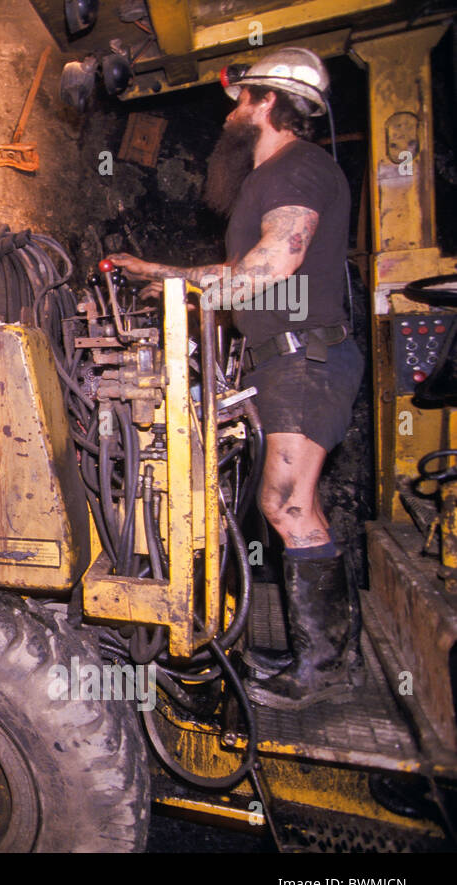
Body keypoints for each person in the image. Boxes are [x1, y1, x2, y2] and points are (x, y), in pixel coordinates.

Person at [109, 47, 363, 710]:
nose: (233, 109)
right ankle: (323, 649)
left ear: (270, 104)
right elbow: (240, 270)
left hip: (305, 360)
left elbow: (274, 263)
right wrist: (155, 273)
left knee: (288, 505)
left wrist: (183, 288)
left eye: (243, 97)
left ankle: (324, 669)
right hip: (287, 359)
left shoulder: (296, 168)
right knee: (290, 504)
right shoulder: (269, 178)